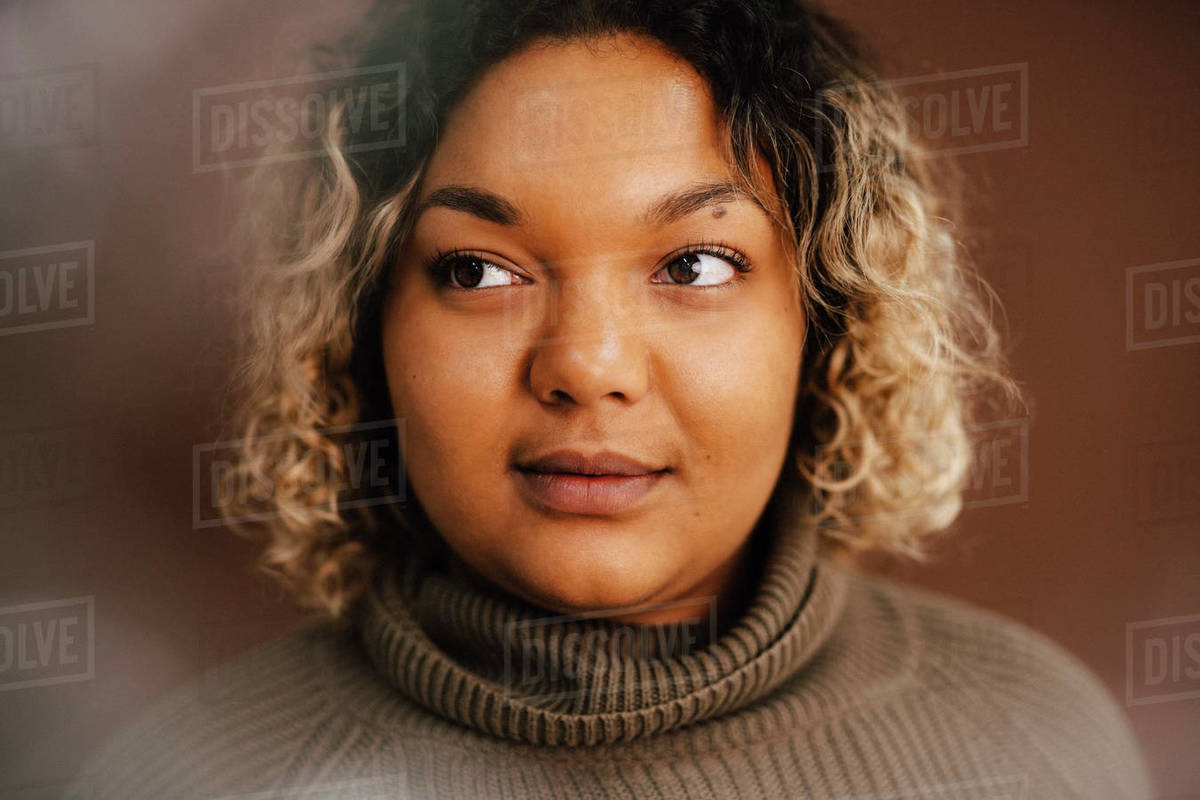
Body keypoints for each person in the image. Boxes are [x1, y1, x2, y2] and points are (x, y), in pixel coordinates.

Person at [74, 0, 1153, 797]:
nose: (587, 366)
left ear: (827, 321)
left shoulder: (1039, 745)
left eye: (693, 265)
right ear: (362, 334)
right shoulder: (182, 774)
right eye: (477, 270)